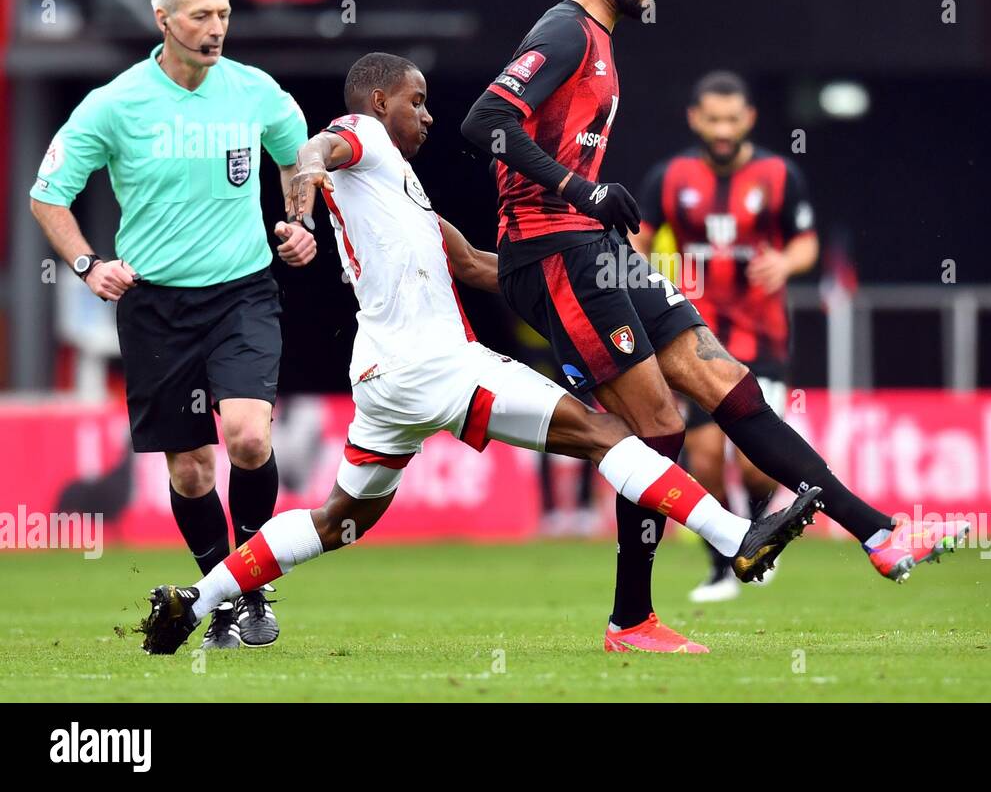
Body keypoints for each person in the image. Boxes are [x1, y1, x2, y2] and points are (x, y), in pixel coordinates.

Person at [138, 53, 822, 656]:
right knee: (608, 433)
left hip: (383, 378)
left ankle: (194, 601)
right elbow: (330, 142)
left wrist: (578, 269)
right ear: (381, 102)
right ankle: (735, 536)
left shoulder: (401, 192)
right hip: (439, 366)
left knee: (340, 519)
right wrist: (308, 163)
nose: (429, 116)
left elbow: (474, 264)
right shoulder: (366, 136)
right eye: (417, 100)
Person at [460, 0, 969, 653]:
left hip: (597, 250)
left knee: (730, 387)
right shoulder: (564, 31)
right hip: (554, 252)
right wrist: (583, 189)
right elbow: (483, 122)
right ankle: (633, 618)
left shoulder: (598, 39)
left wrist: (592, 204)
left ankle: (876, 532)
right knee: (658, 427)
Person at [30, 0, 315, 650]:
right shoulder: (116, 103)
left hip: (242, 292)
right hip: (156, 306)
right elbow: (48, 194)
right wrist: (88, 263)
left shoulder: (252, 90)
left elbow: (297, 152)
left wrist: (299, 220)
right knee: (191, 467)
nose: (216, 27)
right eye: (200, 15)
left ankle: (249, 587)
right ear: (164, 19)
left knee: (248, 436)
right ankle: (216, 589)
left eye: (223, 13)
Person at [632, 70, 819, 602]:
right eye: (712, 118)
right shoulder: (668, 178)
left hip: (763, 336)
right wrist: (640, 286)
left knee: (756, 461)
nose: (721, 128)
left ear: (748, 120)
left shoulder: (780, 176)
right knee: (706, 455)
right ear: (695, 118)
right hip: (695, 335)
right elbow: (636, 240)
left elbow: (807, 244)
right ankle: (721, 564)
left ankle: (763, 531)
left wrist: (783, 261)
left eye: (731, 119)